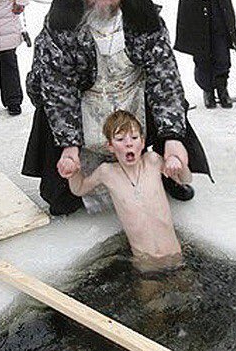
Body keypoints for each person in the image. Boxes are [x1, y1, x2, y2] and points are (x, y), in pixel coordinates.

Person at [22, 0, 209, 215]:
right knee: (59, 199)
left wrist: (172, 137)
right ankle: (71, 176)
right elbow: (58, 87)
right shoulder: (62, 20)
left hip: (133, 97)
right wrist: (69, 146)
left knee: (168, 106)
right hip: (84, 100)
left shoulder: (142, 13)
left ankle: (167, 170)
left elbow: (165, 76)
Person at [63, 110, 186, 270]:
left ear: (142, 142)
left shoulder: (153, 161)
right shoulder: (107, 172)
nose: (129, 144)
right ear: (110, 146)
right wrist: (72, 171)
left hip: (175, 256)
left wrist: (176, 161)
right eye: (120, 139)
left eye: (134, 138)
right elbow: (79, 189)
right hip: (145, 263)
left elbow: (184, 179)